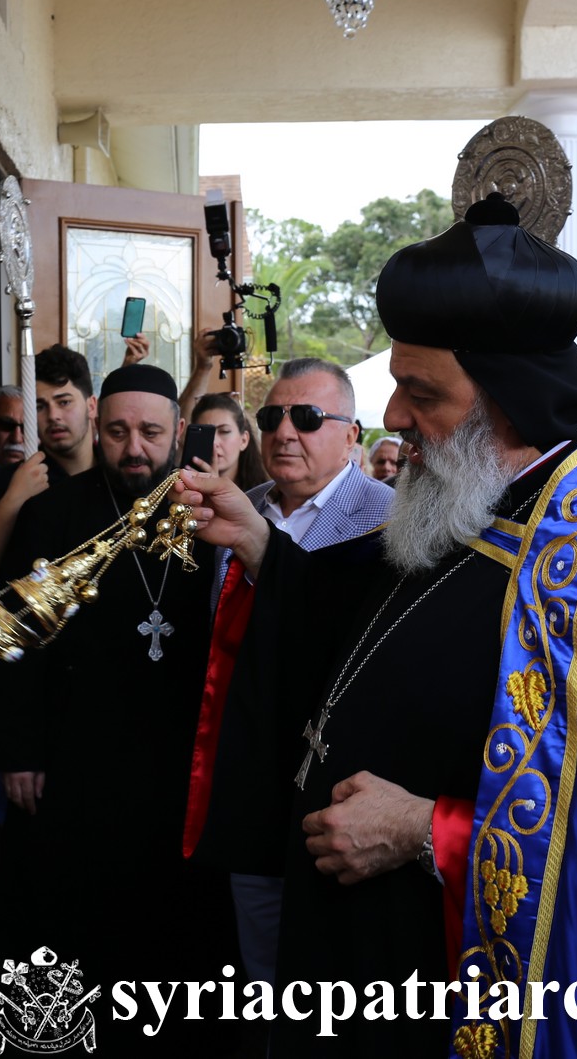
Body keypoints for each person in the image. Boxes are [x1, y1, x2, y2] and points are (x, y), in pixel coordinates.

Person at [179, 193, 577, 1057]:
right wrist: (265, 550)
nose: (391, 417)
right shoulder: (475, 505)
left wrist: (430, 831)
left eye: (420, 391)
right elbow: (381, 630)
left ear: (511, 395)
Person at [0, 363, 237, 1049]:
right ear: (99, 425)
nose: (135, 449)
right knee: (66, 937)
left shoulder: (211, 513)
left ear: (179, 431)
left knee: (172, 940)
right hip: (72, 760)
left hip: (172, 764)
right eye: (119, 431)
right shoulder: (51, 514)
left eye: (152, 433)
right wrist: (17, 749)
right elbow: (13, 634)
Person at [205, 359, 393, 990]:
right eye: (271, 417)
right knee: (262, 981)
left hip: (338, 798)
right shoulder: (240, 508)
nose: (285, 433)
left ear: (352, 435)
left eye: (308, 418)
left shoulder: (390, 524)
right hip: (249, 788)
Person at [0, 346, 96, 591]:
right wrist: (15, 499)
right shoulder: (8, 481)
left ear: (91, 406)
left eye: (64, 402)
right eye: (40, 406)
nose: (54, 416)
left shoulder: (116, 474)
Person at [190, 391, 267, 491]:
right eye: (206, 434)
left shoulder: (263, 494)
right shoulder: (182, 487)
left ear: (244, 440)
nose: (214, 442)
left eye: (224, 431)